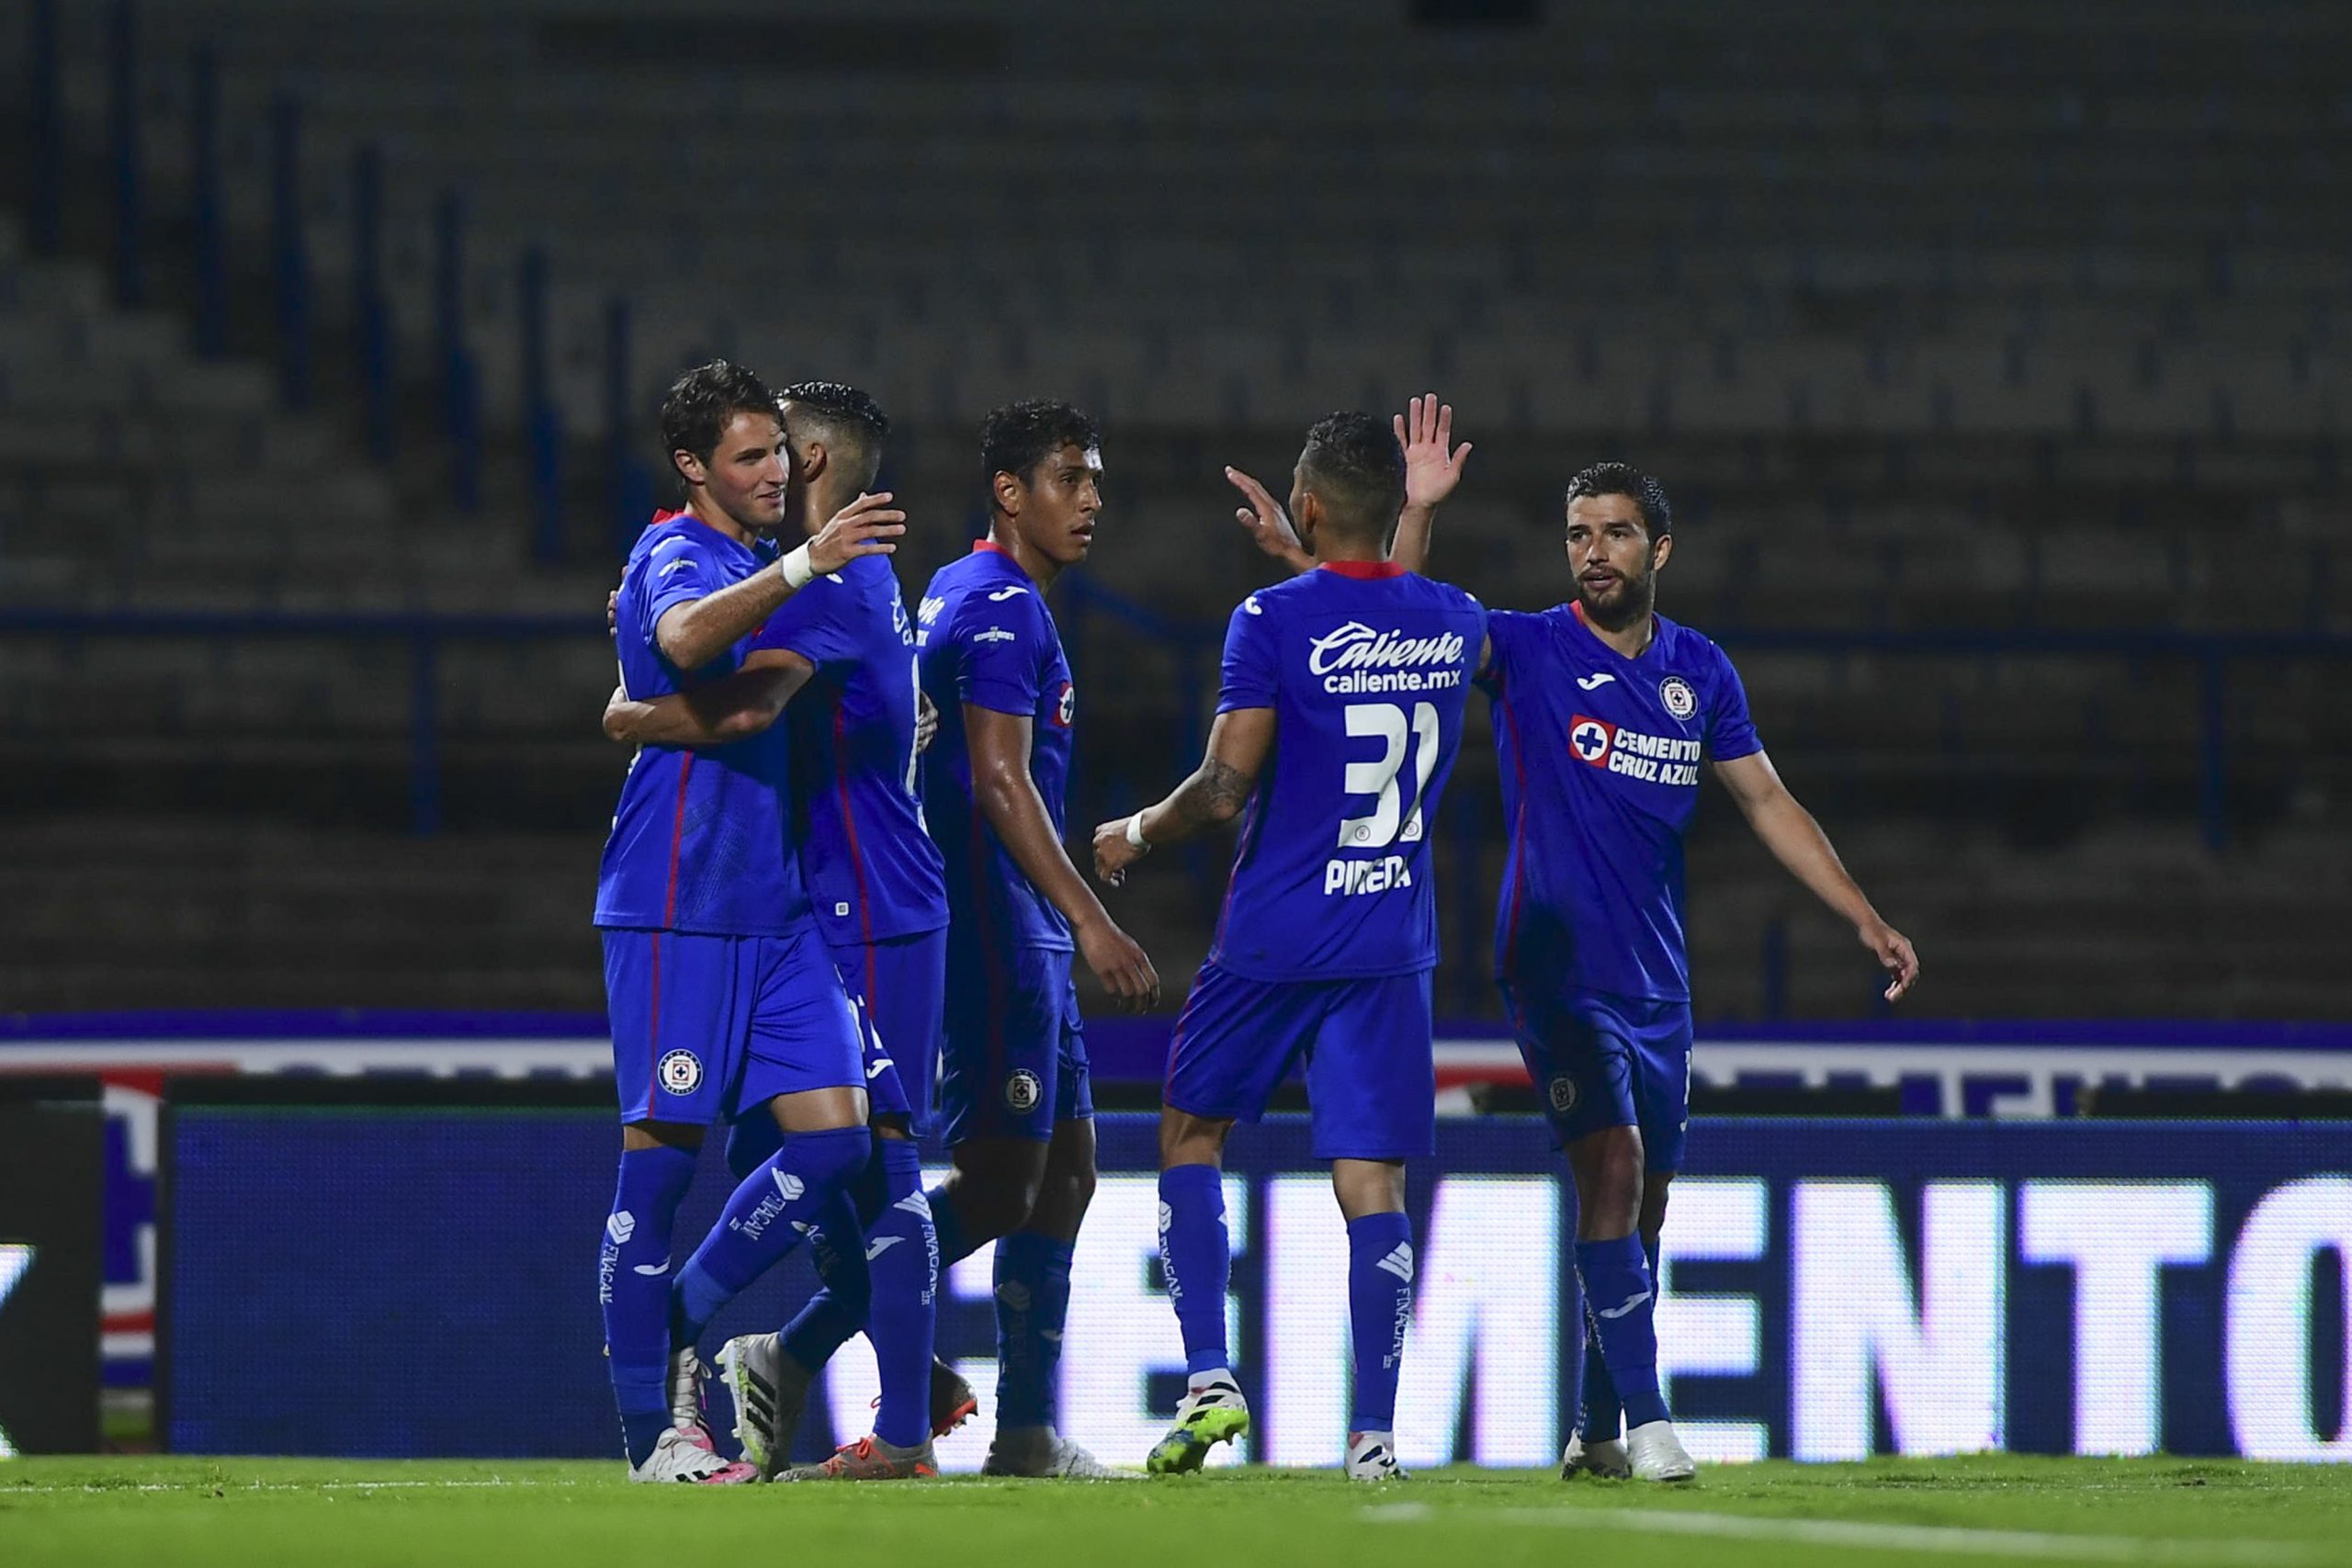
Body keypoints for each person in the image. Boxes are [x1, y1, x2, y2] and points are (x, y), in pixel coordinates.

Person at [1250, 410, 1920, 1483]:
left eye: (1612, 533)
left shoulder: (1699, 674)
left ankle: (1594, 1431)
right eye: (1575, 534)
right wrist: (1416, 511)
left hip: (1657, 981)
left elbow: (1766, 801)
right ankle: (1653, 1422)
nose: (1591, 552)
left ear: (1658, 550)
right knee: (1613, 1170)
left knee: (1640, 1212)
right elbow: (1399, 627)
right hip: (1553, 965)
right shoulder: (1524, 645)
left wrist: (1863, 915)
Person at [1093, 412, 1486, 1482]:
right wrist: (1414, 513)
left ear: (1306, 506)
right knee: (1373, 1188)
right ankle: (1374, 1441)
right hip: (1388, 945)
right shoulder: (1453, 618)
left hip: (1271, 939)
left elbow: (1222, 791)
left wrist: (1130, 833)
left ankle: (1213, 1378)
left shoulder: (1268, 618)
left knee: (1187, 1134)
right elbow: (1390, 603)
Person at [770, 399, 1158, 1479]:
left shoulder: (962, 588)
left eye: (1095, 480)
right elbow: (995, 781)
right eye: (1067, 479)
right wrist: (1090, 921)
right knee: (996, 1184)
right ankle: (794, 1350)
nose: (1089, 499)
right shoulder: (1000, 610)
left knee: (1067, 1175)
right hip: (1000, 933)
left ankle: (1025, 1431)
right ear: (1008, 492)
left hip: (1017, 931)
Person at [601, 381, 957, 1481]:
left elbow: (748, 706)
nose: (765, 472)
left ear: (810, 465)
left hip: (796, 908)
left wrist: (625, 713)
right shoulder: (685, 553)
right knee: (660, 1176)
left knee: (839, 1145)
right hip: (687, 902)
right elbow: (678, 630)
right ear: (697, 466)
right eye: (745, 455)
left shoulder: (817, 577)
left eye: (776, 454)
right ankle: (657, 1431)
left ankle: (684, 1337)